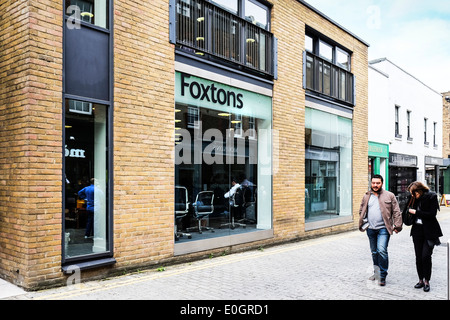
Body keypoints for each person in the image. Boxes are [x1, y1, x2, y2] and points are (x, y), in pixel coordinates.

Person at [359, 174, 403, 286]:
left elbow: (396, 211)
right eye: (373, 183)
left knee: (381, 250)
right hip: (371, 229)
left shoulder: (390, 195)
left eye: (377, 183)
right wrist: (364, 222)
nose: (375, 185)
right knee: (374, 252)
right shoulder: (366, 196)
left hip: (384, 228)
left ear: (382, 183)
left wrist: (397, 225)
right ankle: (377, 273)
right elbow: (361, 210)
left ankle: (382, 276)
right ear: (371, 183)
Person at [404, 181, 443, 292]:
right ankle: (420, 280)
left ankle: (427, 281)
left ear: (419, 190)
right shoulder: (413, 198)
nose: (412, 195)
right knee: (418, 257)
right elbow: (406, 211)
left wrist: (416, 212)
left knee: (426, 256)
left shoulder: (431, 196)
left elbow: (432, 214)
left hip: (429, 231)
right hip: (417, 231)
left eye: (413, 193)